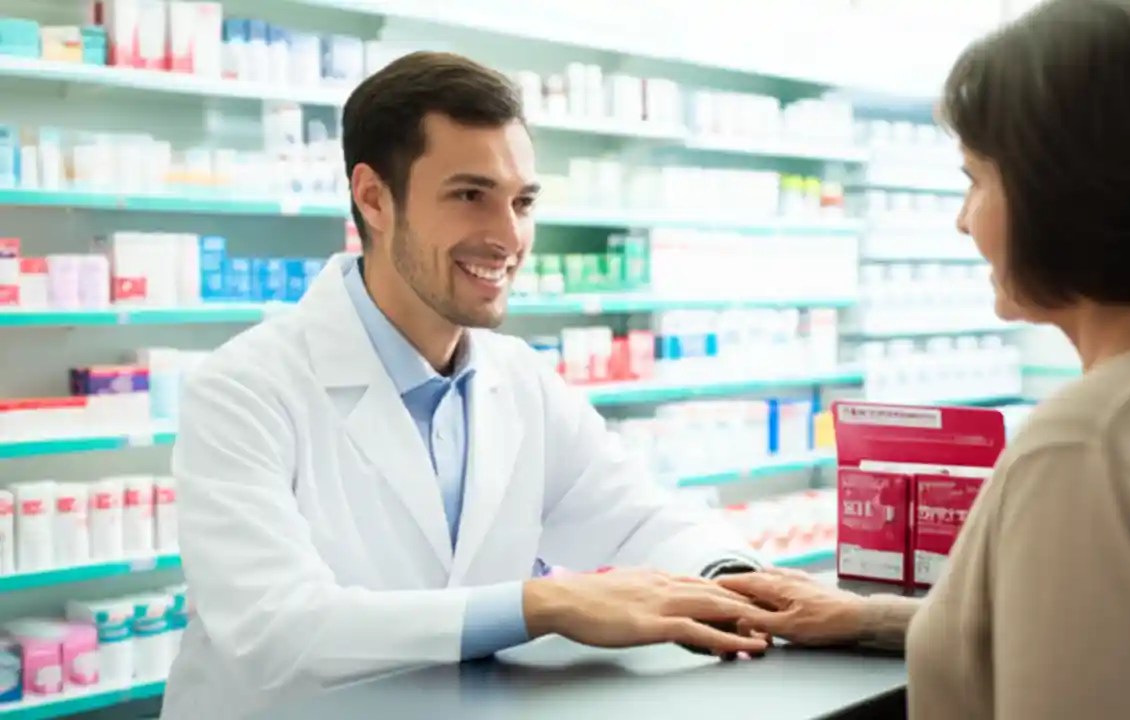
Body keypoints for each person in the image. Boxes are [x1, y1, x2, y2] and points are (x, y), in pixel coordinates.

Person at [161, 52, 772, 720]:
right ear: (373, 197)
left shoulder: (521, 381)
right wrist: (542, 605)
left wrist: (736, 585)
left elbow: (640, 520)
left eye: (523, 201)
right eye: (469, 195)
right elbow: (276, 628)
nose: (509, 236)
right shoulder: (244, 389)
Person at [720, 1, 1130, 718]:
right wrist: (869, 617)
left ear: (1064, 194)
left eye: (976, 179)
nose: (963, 219)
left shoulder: (1091, 445)